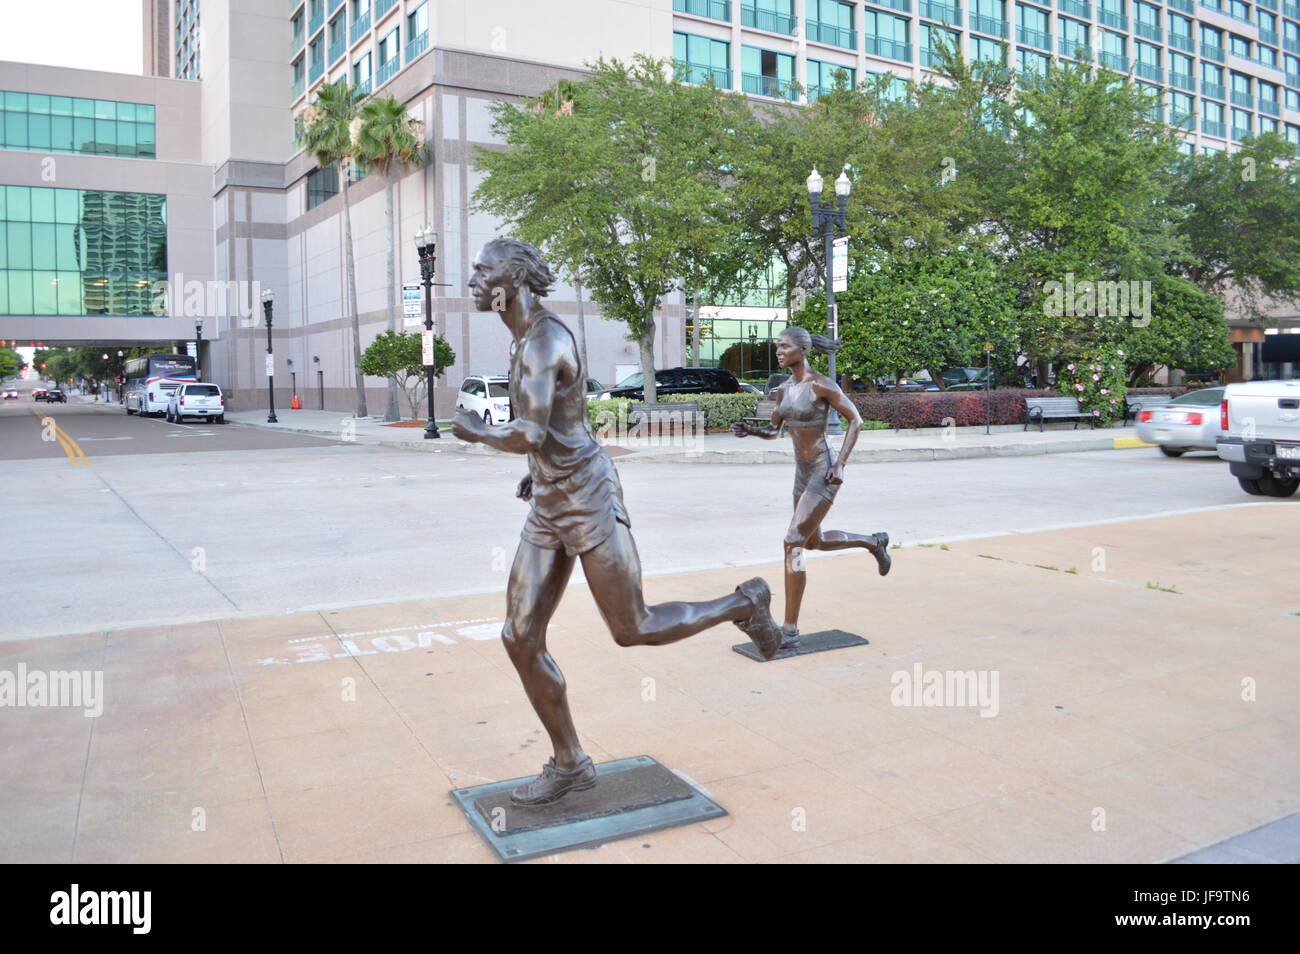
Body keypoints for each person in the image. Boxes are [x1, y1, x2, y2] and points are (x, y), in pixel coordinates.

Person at [451, 238, 784, 806]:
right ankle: (570, 763)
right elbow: (556, 426)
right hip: (551, 500)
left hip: (588, 496)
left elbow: (528, 432)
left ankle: (743, 604)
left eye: (485, 269)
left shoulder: (545, 340)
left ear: (515, 278)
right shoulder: (523, 340)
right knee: (519, 635)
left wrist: (471, 429)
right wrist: (539, 470)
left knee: (633, 628)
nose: (475, 278)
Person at [732, 327, 891, 649]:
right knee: (812, 541)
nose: (778, 352)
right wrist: (749, 430)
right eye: (777, 347)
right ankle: (874, 542)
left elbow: (855, 420)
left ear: (802, 350)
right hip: (801, 474)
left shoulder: (821, 384)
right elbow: (774, 431)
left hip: (823, 471)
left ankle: (789, 629)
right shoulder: (783, 389)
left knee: (793, 541)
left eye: (784, 347)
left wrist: (840, 464)